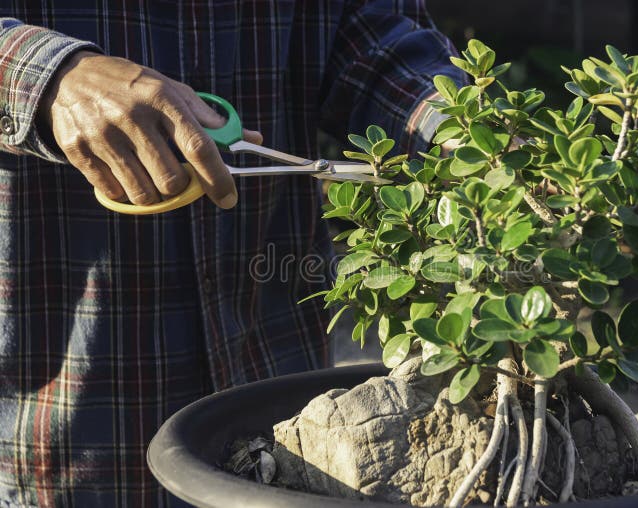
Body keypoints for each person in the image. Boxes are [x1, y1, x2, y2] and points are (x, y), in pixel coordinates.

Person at [0, 2, 461, 506]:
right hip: (56, 433)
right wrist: (45, 75)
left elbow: (374, 33)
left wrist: (465, 132)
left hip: (280, 411)